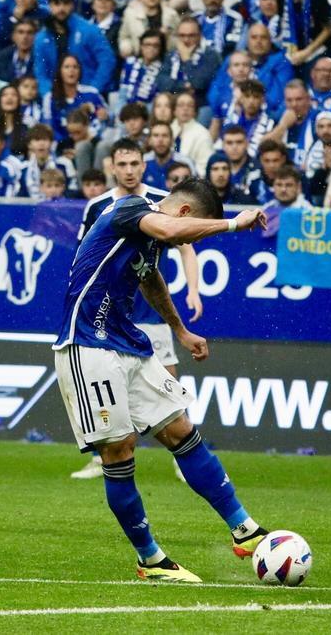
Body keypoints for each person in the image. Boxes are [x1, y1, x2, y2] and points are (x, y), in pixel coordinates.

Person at [53, 138, 269, 581]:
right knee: (119, 448)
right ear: (188, 212)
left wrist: (180, 329)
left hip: (128, 342)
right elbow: (172, 233)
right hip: (88, 344)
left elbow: (148, 278)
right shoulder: (131, 209)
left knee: (180, 428)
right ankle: (150, 559)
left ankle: (244, 529)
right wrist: (231, 225)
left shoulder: (148, 231)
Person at [69, 138, 204, 481]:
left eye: (135, 164)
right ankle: (107, 457)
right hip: (103, 316)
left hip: (146, 308)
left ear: (144, 165)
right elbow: (83, 256)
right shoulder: (97, 206)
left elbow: (185, 246)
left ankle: (180, 454)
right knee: (108, 386)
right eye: (122, 164)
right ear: (112, 167)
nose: (129, 170)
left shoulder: (160, 202)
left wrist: (193, 289)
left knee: (167, 379)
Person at [34, 0, 117, 96]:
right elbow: (41, 73)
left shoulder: (89, 30)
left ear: (72, 5)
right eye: (57, 4)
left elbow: (107, 60)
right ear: (49, 5)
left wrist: (93, 89)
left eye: (65, 3)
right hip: (56, 97)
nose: (61, 9)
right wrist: (48, 95)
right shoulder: (42, 38)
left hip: (86, 93)